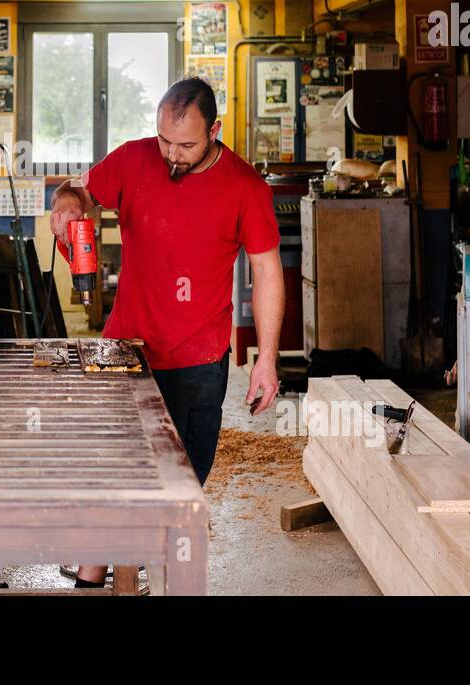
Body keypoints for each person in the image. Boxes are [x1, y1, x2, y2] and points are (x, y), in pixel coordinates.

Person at [49, 77, 285, 589]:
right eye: (164, 141)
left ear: (215, 130)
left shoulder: (246, 187)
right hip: (124, 346)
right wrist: (67, 203)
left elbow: (266, 271)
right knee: (112, 466)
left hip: (198, 357)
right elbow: (79, 189)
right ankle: (93, 572)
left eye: (186, 146)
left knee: (183, 484)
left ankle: (146, 568)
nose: (172, 156)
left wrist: (266, 358)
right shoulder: (135, 159)